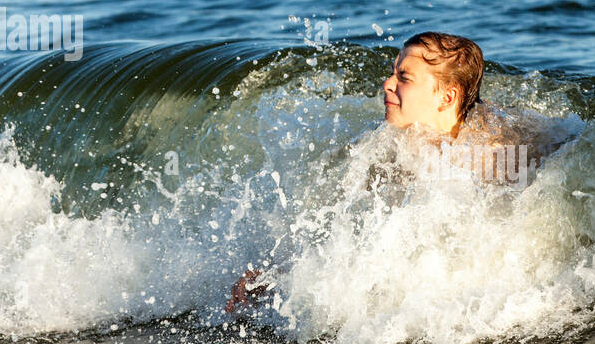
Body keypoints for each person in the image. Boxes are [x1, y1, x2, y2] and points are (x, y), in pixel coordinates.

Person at [226, 32, 543, 314]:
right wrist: (276, 273)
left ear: (447, 97)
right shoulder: (386, 143)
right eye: (393, 73)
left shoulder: (489, 156)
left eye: (404, 77)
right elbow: (337, 223)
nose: (387, 84)